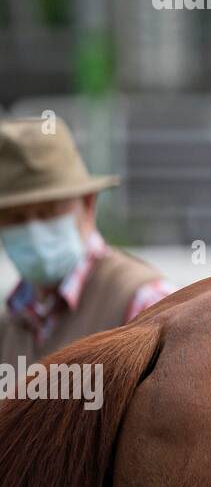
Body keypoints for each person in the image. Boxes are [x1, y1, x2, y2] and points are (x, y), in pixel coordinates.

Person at [0, 117, 174, 365]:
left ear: (88, 205)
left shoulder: (142, 302)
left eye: (48, 211)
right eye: (16, 217)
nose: (34, 230)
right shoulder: (10, 326)